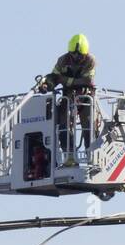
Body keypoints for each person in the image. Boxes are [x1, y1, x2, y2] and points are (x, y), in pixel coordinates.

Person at [40, 34, 97, 164]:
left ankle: (92, 157)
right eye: (73, 54)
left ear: (85, 53)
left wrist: (64, 80)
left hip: (85, 99)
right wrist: (47, 84)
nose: (76, 57)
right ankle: (69, 156)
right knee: (63, 124)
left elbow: (87, 80)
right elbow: (53, 77)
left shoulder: (90, 60)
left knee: (88, 126)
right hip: (68, 98)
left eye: (79, 55)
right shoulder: (63, 60)